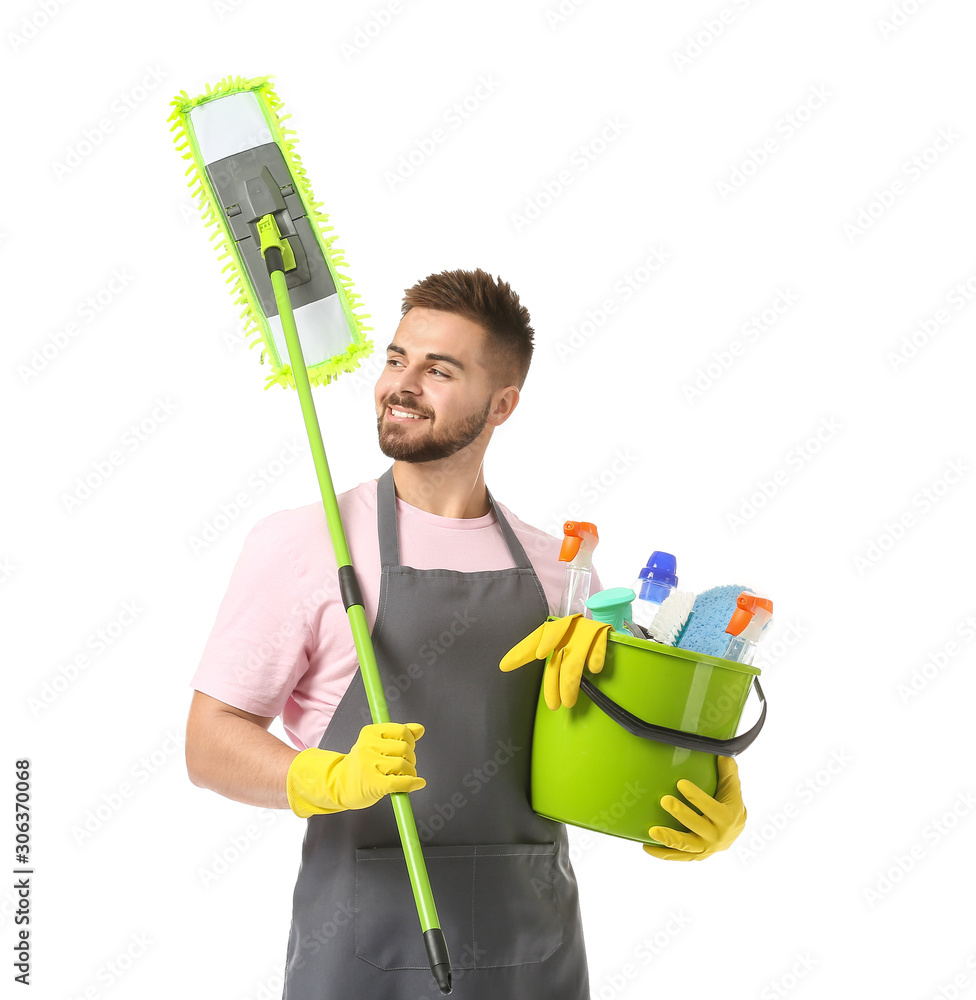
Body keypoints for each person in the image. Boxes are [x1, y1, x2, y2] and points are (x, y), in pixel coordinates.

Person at [185, 268, 746, 998]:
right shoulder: (307, 543)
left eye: (438, 370)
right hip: (360, 955)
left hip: (531, 953)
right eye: (395, 359)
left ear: (502, 403)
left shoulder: (561, 570)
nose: (401, 385)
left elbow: (588, 755)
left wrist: (686, 796)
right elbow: (209, 739)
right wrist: (321, 777)